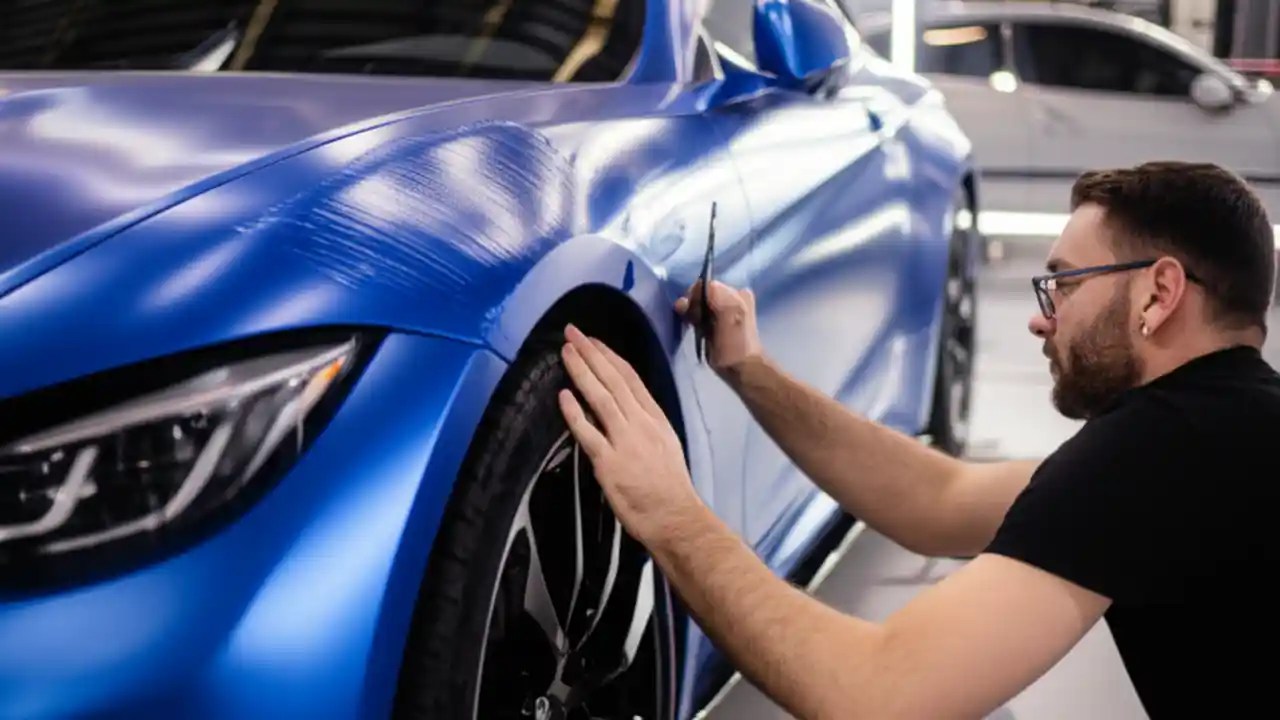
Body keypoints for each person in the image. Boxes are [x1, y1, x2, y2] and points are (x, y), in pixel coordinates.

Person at [555, 161, 1279, 719]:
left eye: (1064, 284)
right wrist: (750, 372)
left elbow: (877, 696)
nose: (1041, 318)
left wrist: (671, 514)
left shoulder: (1162, 446)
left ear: (1158, 293)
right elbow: (939, 499)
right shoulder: (1222, 430)